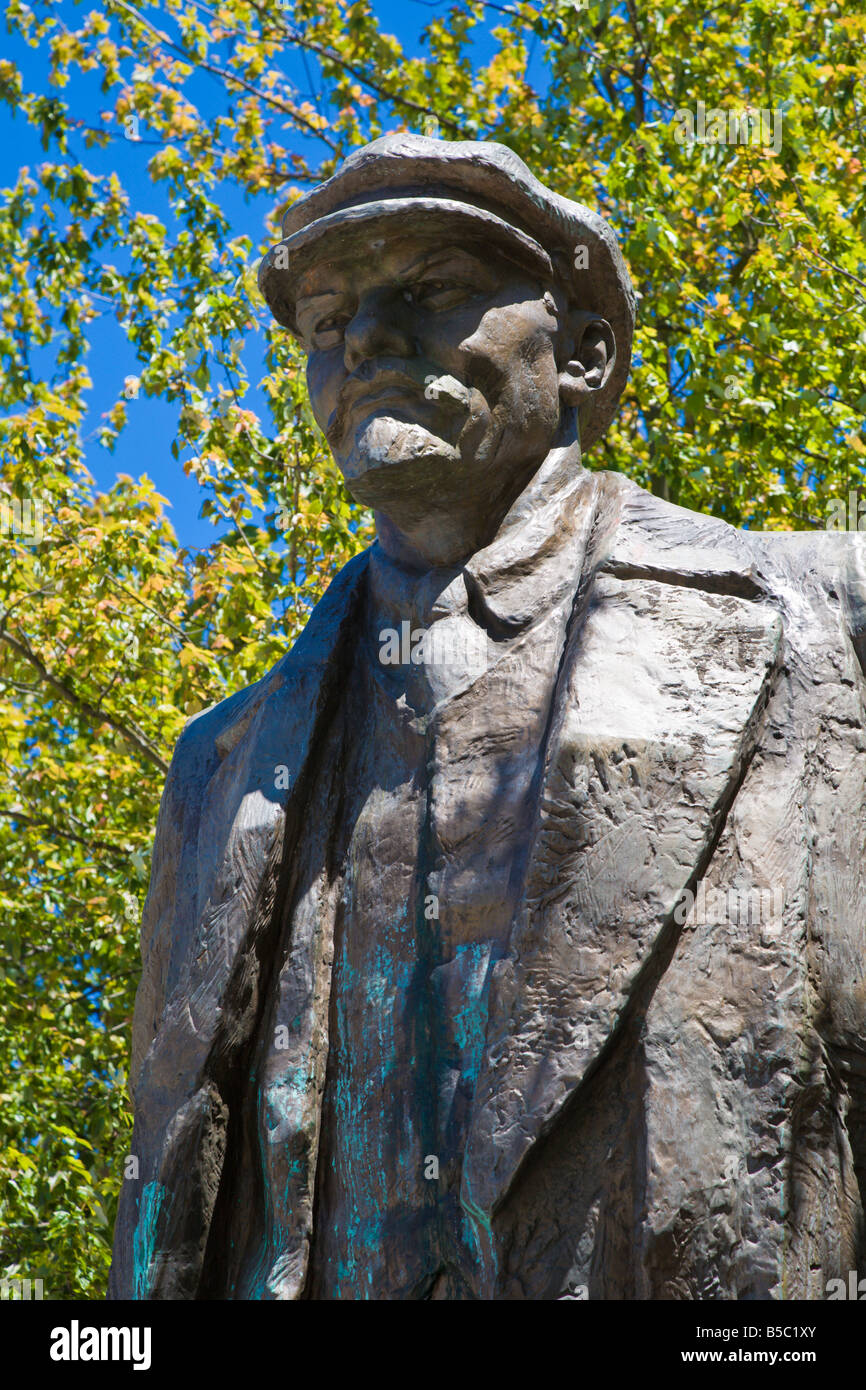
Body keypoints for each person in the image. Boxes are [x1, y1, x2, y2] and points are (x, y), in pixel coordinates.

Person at [110, 135, 866, 1300]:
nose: (363, 338)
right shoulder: (218, 767)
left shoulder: (818, 619)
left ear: (584, 354)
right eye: (326, 318)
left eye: (435, 290)